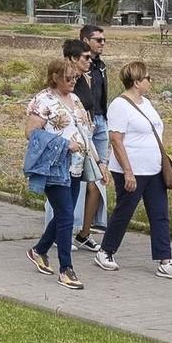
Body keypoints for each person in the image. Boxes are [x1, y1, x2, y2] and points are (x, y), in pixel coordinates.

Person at [100, 61, 172, 279]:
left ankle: (165, 259)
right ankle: (106, 250)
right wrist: (128, 171)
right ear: (137, 81)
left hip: (154, 169)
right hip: (132, 169)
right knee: (125, 210)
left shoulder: (146, 103)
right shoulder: (119, 105)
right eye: (148, 78)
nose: (150, 81)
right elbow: (116, 140)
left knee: (159, 214)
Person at [25, 59, 90, 290]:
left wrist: (98, 162)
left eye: (76, 78)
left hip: (77, 164)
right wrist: (63, 145)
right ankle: (66, 269)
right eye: (68, 78)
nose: (73, 81)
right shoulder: (44, 101)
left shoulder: (75, 99)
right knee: (66, 216)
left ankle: (39, 250)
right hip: (54, 166)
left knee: (66, 213)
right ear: (54, 77)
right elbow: (31, 133)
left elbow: (84, 129)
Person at [72, 26, 112, 252]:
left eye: (104, 40)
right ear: (85, 40)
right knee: (77, 179)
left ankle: (85, 232)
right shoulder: (75, 70)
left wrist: (103, 119)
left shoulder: (100, 67)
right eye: (98, 40)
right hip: (84, 125)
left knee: (98, 180)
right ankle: (66, 228)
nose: (102, 43)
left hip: (99, 122)